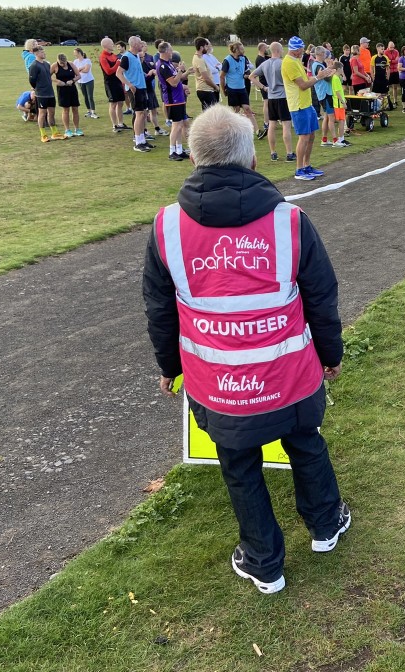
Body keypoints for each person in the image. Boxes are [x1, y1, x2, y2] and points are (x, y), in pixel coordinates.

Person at [142, 104, 351, 595]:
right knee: (305, 443)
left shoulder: (166, 226)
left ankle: (264, 561)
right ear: (253, 159)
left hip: (219, 388)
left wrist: (170, 367)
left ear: (194, 159)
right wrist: (331, 353)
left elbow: (159, 308)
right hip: (291, 379)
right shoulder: (290, 221)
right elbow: (322, 296)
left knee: (240, 467)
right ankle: (325, 525)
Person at [283, 36, 331, 181]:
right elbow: (303, 85)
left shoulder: (296, 60)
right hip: (298, 105)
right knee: (303, 137)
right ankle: (299, 170)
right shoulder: (288, 63)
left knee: (310, 136)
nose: (304, 51)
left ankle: (306, 165)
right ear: (295, 49)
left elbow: (305, 82)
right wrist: (319, 77)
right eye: (301, 49)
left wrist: (318, 77)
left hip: (306, 104)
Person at [249, 41, 296, 164]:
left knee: (272, 125)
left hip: (271, 97)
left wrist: (264, 88)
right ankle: (289, 153)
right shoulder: (282, 63)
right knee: (286, 125)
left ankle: (273, 153)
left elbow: (251, 76)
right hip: (283, 97)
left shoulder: (265, 64)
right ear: (279, 51)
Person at [156, 41, 192, 161]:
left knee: (180, 124)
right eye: (170, 50)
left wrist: (184, 86)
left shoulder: (168, 64)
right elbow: (173, 82)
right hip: (173, 100)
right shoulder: (162, 66)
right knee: (176, 125)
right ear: (166, 51)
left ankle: (179, 150)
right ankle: (172, 152)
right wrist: (181, 70)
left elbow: (178, 80)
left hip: (179, 98)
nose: (172, 52)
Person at [117, 36, 152, 152]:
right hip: (134, 89)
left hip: (141, 88)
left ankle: (142, 140)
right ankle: (137, 142)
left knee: (143, 113)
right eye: (139, 43)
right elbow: (119, 73)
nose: (141, 44)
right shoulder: (126, 57)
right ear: (133, 44)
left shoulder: (136, 56)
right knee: (139, 114)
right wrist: (129, 84)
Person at [221, 42, 258, 133]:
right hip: (232, 89)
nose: (243, 50)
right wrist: (224, 90)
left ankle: (257, 131)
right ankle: (233, 131)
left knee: (247, 109)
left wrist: (249, 76)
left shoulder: (243, 59)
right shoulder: (227, 60)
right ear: (236, 50)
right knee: (236, 110)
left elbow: (243, 74)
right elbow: (222, 76)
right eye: (241, 49)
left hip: (242, 88)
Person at [27, 46, 60, 142]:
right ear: (36, 54)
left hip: (50, 92)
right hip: (41, 94)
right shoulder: (34, 66)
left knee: (52, 113)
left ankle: (55, 133)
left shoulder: (46, 64)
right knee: (42, 114)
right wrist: (38, 88)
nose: (44, 54)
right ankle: (43, 135)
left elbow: (48, 76)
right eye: (42, 52)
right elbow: (32, 80)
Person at [99, 37, 128, 133]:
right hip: (110, 83)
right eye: (111, 43)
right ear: (106, 45)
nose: (113, 45)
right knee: (113, 104)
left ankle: (120, 123)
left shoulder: (114, 56)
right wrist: (118, 64)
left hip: (118, 81)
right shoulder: (103, 57)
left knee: (120, 102)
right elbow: (108, 71)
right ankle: (114, 125)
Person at [51, 52, 83, 138]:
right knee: (66, 110)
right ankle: (67, 130)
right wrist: (57, 81)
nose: (63, 65)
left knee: (75, 109)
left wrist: (72, 80)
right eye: (61, 63)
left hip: (72, 89)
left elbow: (79, 76)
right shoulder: (55, 66)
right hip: (62, 90)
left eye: (64, 63)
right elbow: (48, 76)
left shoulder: (71, 64)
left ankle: (77, 129)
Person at [192, 37, 220, 111]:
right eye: (206, 46)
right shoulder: (199, 60)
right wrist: (215, 87)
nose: (207, 48)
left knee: (208, 114)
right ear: (201, 47)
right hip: (205, 90)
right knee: (213, 113)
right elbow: (206, 78)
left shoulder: (198, 57)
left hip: (205, 90)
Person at [73, 48, 98, 118]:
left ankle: (93, 112)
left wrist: (79, 70)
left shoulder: (87, 60)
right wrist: (81, 69)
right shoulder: (75, 61)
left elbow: (87, 70)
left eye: (75, 52)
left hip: (89, 80)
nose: (74, 54)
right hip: (80, 81)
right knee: (85, 97)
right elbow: (74, 71)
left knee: (90, 96)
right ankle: (89, 111)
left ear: (79, 53)